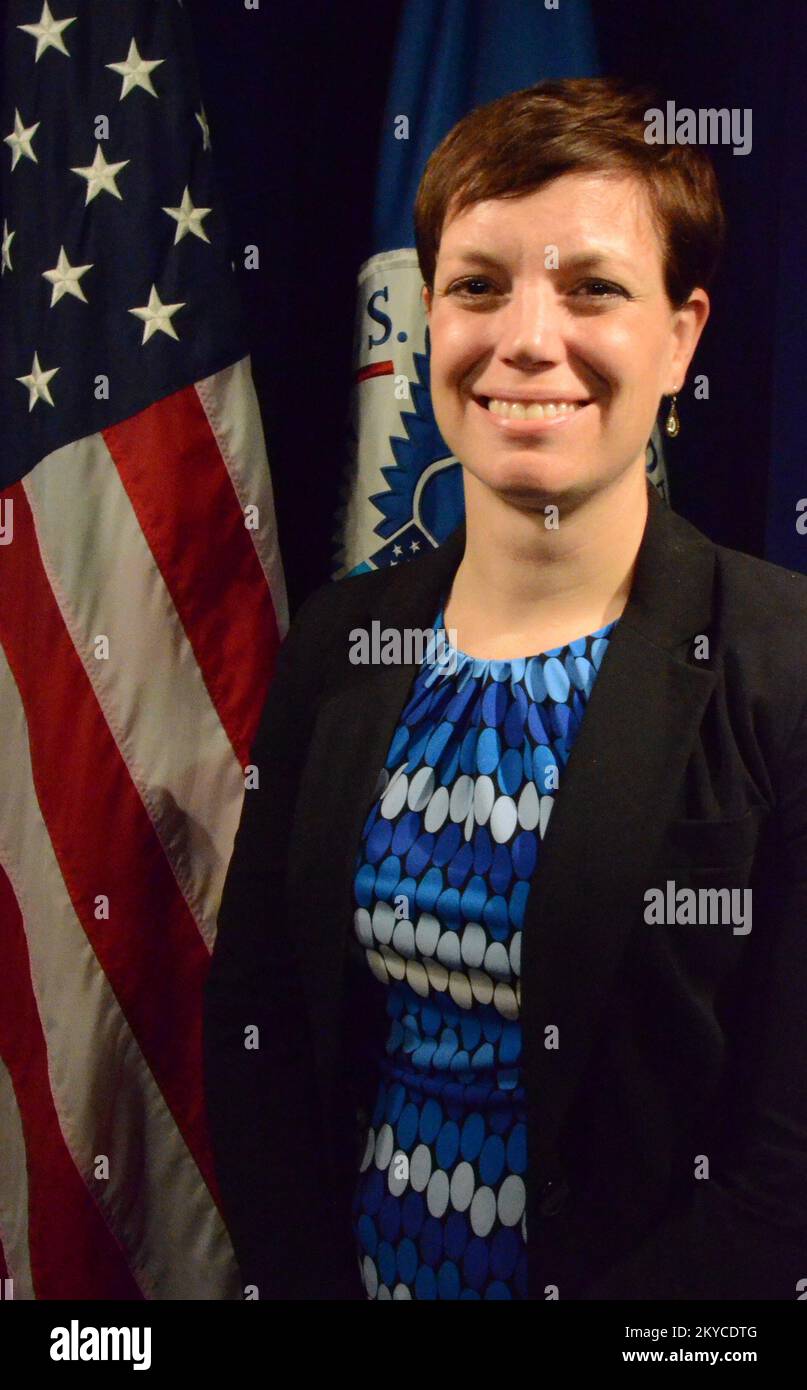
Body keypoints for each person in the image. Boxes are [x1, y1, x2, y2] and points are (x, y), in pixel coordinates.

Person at [203, 77, 807, 1300]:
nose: (528, 338)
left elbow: (787, 1169)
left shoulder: (786, 665)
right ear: (430, 316)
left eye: (591, 287)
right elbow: (257, 1031)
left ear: (682, 334)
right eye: (480, 285)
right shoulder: (337, 643)